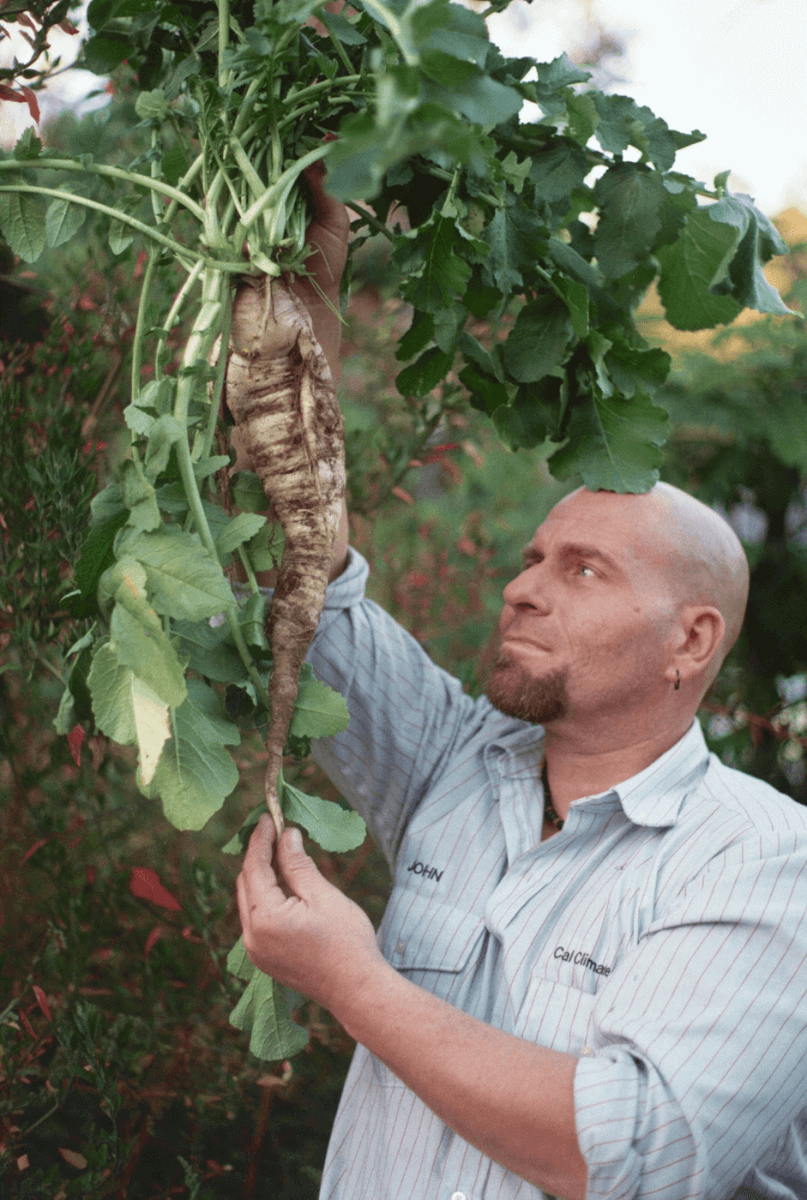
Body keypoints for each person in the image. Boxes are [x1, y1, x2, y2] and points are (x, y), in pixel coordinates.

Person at [234, 168, 807, 1200]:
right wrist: (298, 315)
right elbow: (299, 567)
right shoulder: (457, 763)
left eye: (584, 570)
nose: (523, 589)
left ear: (693, 640)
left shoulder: (763, 861)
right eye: (534, 559)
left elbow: (630, 1158)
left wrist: (352, 983)